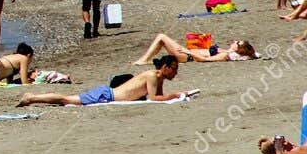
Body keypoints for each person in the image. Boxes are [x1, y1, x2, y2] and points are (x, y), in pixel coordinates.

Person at [19, 56, 186, 107]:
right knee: (66, 100)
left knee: (66, 100)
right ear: (165, 67)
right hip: (106, 95)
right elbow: (154, 98)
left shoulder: (158, 77)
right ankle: (31, 98)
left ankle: (32, 98)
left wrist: (173, 96)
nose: (175, 72)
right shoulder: (152, 75)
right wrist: (175, 95)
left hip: (108, 94)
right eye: (174, 69)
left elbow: (158, 97)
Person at [132, 35, 256, 64]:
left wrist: (188, 52)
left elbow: (205, 60)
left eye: (238, 43)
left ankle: (144, 60)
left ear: (240, 49)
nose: (235, 41)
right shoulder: (226, 52)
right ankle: (146, 59)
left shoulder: (225, 55)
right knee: (161, 39)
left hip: (187, 56)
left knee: (161, 37)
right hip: (188, 53)